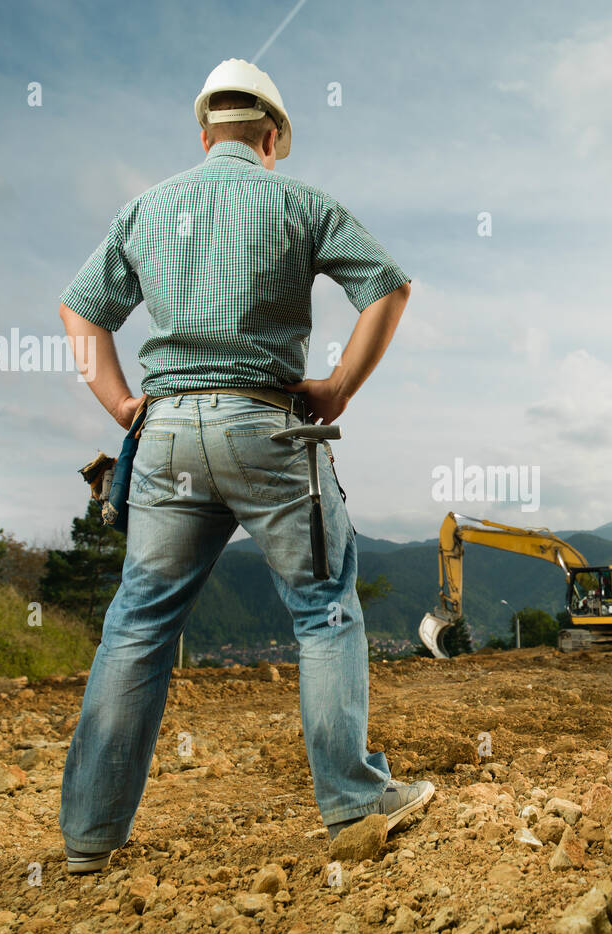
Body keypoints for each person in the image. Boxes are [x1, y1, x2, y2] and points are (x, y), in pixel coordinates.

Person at [56, 58, 431, 874]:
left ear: (204, 134)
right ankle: (356, 799)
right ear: (270, 137)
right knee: (324, 608)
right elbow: (389, 291)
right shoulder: (300, 201)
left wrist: (123, 406)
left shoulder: (146, 209)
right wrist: (336, 387)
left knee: (141, 619)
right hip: (268, 428)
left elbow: (80, 310)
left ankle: (88, 837)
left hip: (165, 439)